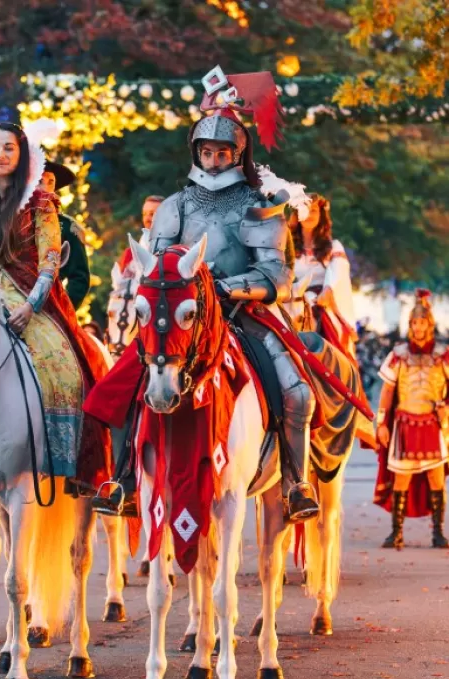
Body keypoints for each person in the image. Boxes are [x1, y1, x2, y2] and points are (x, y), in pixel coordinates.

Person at [145, 68, 319, 522]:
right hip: (181, 318)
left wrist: (225, 288)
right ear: (196, 153)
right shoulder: (174, 206)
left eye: (222, 151)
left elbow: (276, 276)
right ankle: (123, 478)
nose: (213, 159)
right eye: (206, 151)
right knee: (126, 381)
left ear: (237, 153)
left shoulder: (258, 203)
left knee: (297, 393)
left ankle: (295, 482)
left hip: (242, 315)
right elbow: (158, 267)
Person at [0, 121, 111, 489]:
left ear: (22, 156)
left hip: (30, 296)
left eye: (9, 148)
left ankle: (69, 461)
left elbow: (51, 259)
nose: (1, 155)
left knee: (65, 367)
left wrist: (32, 306)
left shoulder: (41, 201)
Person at [374, 290, 449, 549]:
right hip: (405, 424)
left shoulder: (443, 354)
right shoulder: (398, 354)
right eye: (414, 323)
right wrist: (382, 422)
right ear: (410, 325)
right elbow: (387, 391)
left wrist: (445, 408)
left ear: (430, 325)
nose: (418, 327)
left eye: (423, 322)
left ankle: (438, 533)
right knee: (401, 479)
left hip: (432, 424)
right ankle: (396, 532)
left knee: (436, 479)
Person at [287, 193, 356, 356]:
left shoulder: (333, 246)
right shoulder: (285, 245)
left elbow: (338, 269)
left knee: (332, 332)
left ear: (321, 216)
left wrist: (328, 289)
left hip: (320, 303)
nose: (310, 215)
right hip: (291, 301)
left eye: (314, 211)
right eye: (306, 210)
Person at [40, 160, 90, 309]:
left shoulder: (68, 227)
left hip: (49, 307)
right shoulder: (11, 221)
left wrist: (61, 309)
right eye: (39, 182)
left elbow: (79, 278)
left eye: (50, 182)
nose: (45, 188)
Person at [115, 195, 164, 282]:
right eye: (144, 214)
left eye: (152, 214)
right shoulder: (130, 255)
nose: (147, 218)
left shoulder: (177, 248)